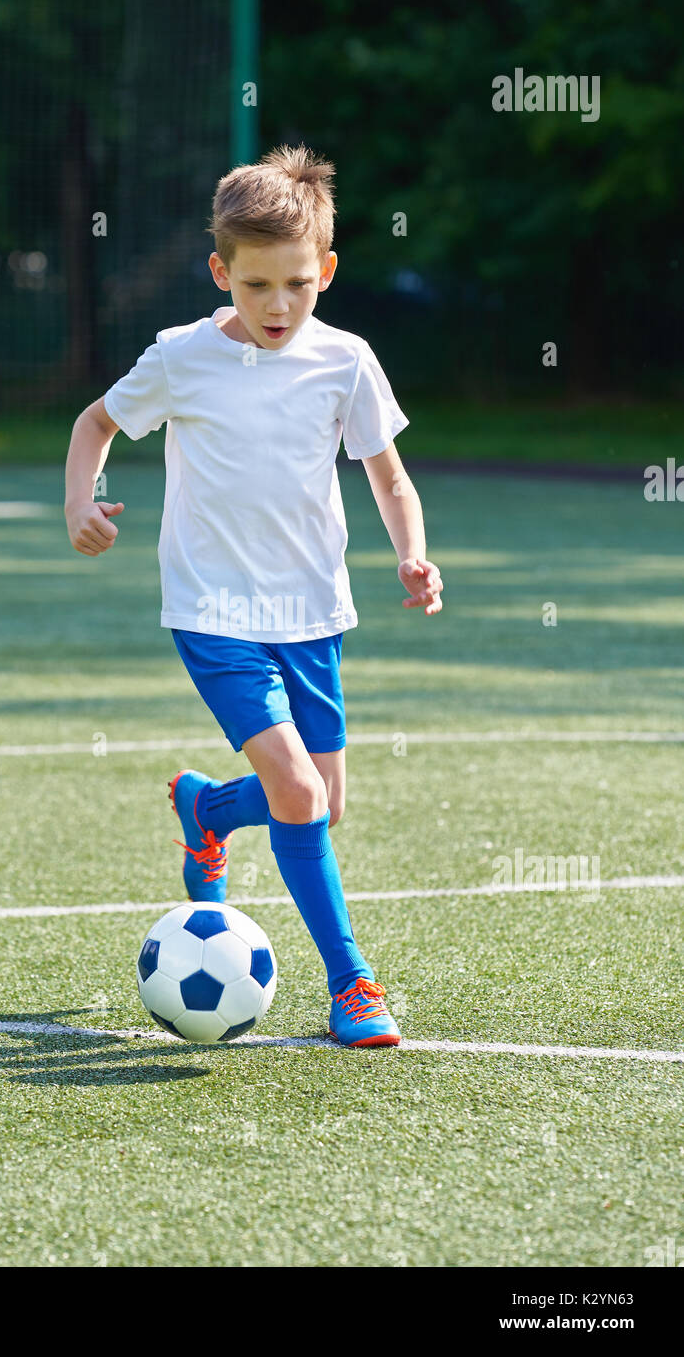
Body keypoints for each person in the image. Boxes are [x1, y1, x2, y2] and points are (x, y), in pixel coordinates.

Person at [64, 144, 443, 1047]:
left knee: (320, 799)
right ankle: (352, 985)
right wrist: (81, 498)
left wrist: (413, 556)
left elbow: (388, 477)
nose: (278, 306)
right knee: (301, 793)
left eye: (299, 285)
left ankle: (206, 809)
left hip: (314, 614)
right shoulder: (182, 358)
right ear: (220, 272)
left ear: (329, 272)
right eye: (257, 285)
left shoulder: (346, 361)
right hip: (214, 614)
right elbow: (95, 423)